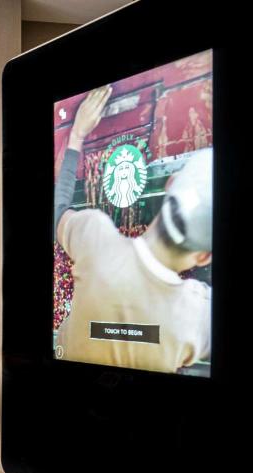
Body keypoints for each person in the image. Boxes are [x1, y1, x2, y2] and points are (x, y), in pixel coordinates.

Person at [54, 86, 212, 375]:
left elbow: (58, 211)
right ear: (204, 257)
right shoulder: (198, 314)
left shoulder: (95, 238)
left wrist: (76, 135)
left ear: (170, 184)